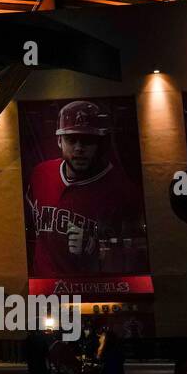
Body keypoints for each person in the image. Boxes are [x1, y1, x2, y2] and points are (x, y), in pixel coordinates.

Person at [24, 100, 144, 277]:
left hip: (93, 289)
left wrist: (98, 247)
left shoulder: (122, 190)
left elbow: (135, 257)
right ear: (59, 141)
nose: (79, 148)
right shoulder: (41, 174)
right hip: (44, 290)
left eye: (88, 141)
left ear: (100, 144)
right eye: (71, 140)